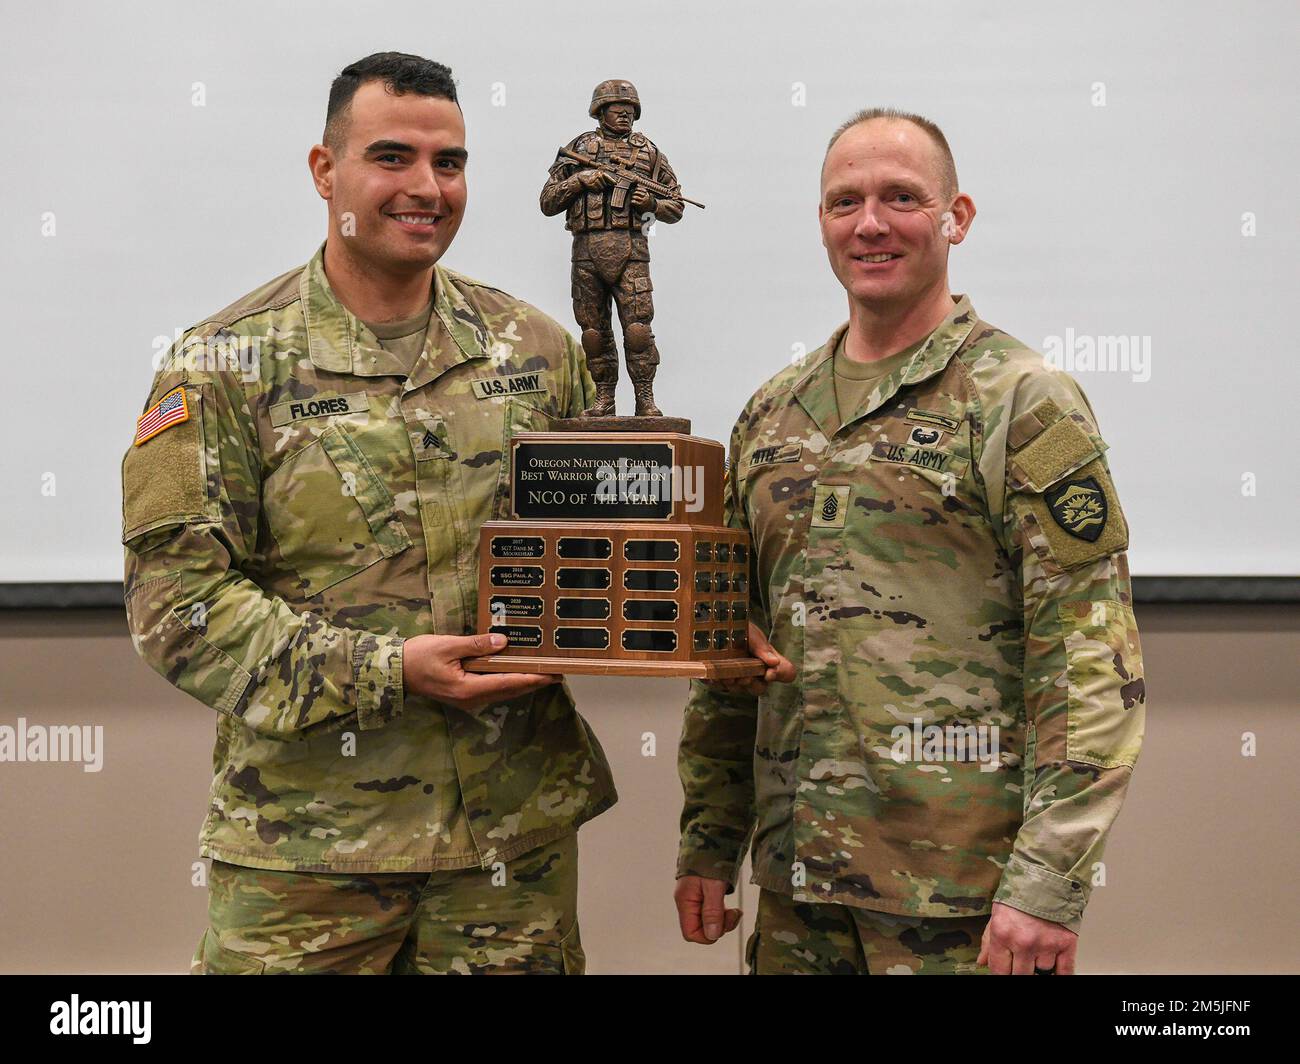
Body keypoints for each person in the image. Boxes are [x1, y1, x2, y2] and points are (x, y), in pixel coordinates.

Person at [121, 52, 615, 975]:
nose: (427, 188)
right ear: (325, 171)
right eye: (393, 158)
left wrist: (699, 613)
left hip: (507, 854)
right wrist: (388, 671)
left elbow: (597, 555)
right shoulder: (221, 363)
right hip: (309, 859)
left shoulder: (538, 350)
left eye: (451, 163)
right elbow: (175, 608)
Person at [673, 108, 1146, 975]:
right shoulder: (771, 414)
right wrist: (710, 838)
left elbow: (1089, 662)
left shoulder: (1020, 399)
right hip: (797, 887)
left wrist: (1047, 882)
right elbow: (731, 652)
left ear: (955, 216)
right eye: (844, 201)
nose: (871, 223)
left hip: (959, 894)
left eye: (901, 198)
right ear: (821, 222)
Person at [539, 79, 685, 417]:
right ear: (600, 112)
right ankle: (603, 399)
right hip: (586, 250)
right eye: (619, 111)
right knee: (593, 332)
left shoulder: (648, 153)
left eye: (630, 112)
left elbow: (675, 206)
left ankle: (645, 399)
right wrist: (579, 180)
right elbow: (547, 201)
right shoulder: (580, 148)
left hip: (631, 249)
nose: (625, 117)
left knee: (638, 331)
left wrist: (649, 203)